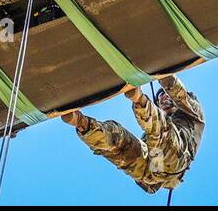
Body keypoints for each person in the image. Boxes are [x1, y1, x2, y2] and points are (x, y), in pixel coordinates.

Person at [60, 74, 205, 194]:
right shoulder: (156, 127)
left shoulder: (192, 116)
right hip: (155, 165)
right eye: (160, 97)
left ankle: (139, 99)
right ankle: (81, 123)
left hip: (174, 160)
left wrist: (162, 74)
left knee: (159, 133)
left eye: (166, 95)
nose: (163, 98)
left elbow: (180, 95)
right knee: (120, 140)